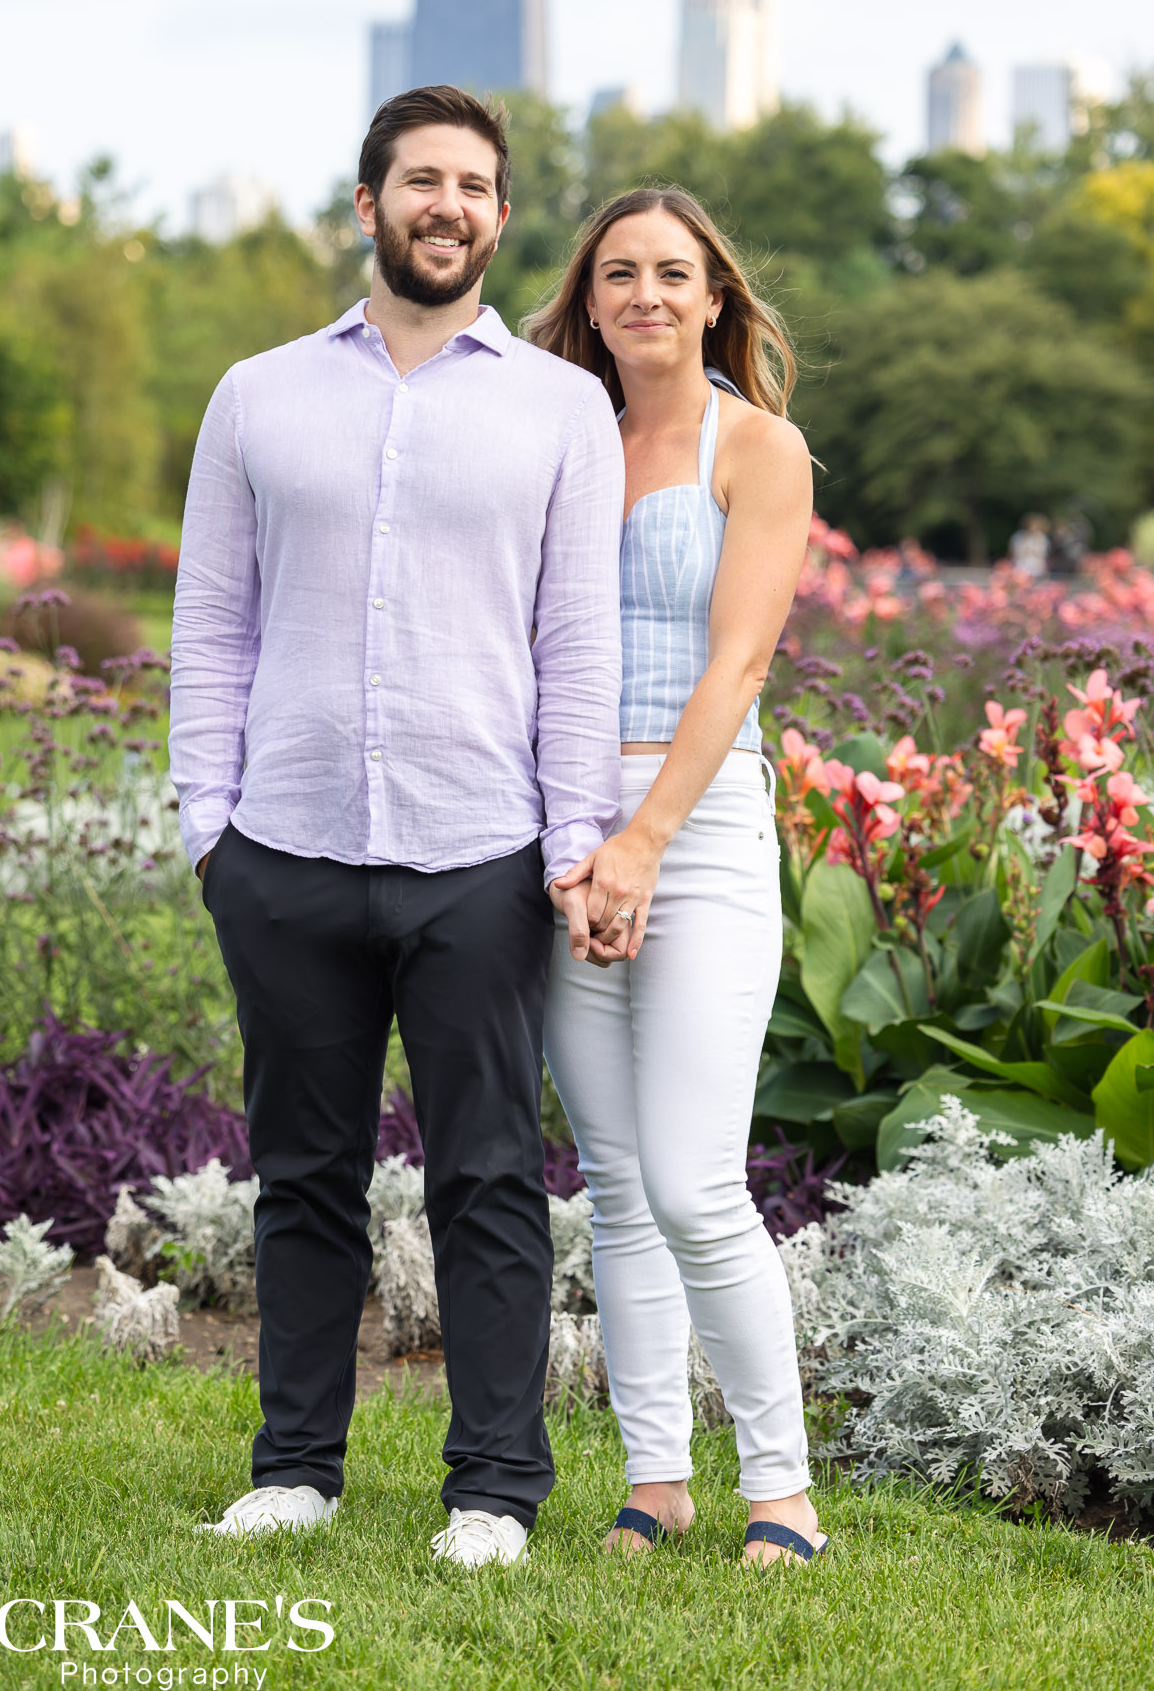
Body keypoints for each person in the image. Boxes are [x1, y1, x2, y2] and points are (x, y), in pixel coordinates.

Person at [168, 86, 624, 1568]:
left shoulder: (561, 408)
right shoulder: (257, 395)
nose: (448, 205)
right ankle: (295, 1466)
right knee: (302, 1174)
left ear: (498, 218)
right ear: (367, 207)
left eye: (474, 186)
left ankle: (492, 1489)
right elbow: (209, 626)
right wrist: (207, 830)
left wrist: (571, 842)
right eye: (419, 180)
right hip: (285, 850)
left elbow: (578, 646)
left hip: (478, 853)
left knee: (487, 1174)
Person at [530, 186, 824, 1568]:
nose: (644, 294)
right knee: (616, 1175)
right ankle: (655, 1483)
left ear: (715, 296)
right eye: (617, 274)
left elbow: (739, 664)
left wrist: (642, 840)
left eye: (672, 273)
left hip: (693, 836)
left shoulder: (755, 448)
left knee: (698, 1180)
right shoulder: (558, 439)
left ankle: (783, 1493)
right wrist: (574, 845)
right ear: (585, 300)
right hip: (567, 841)